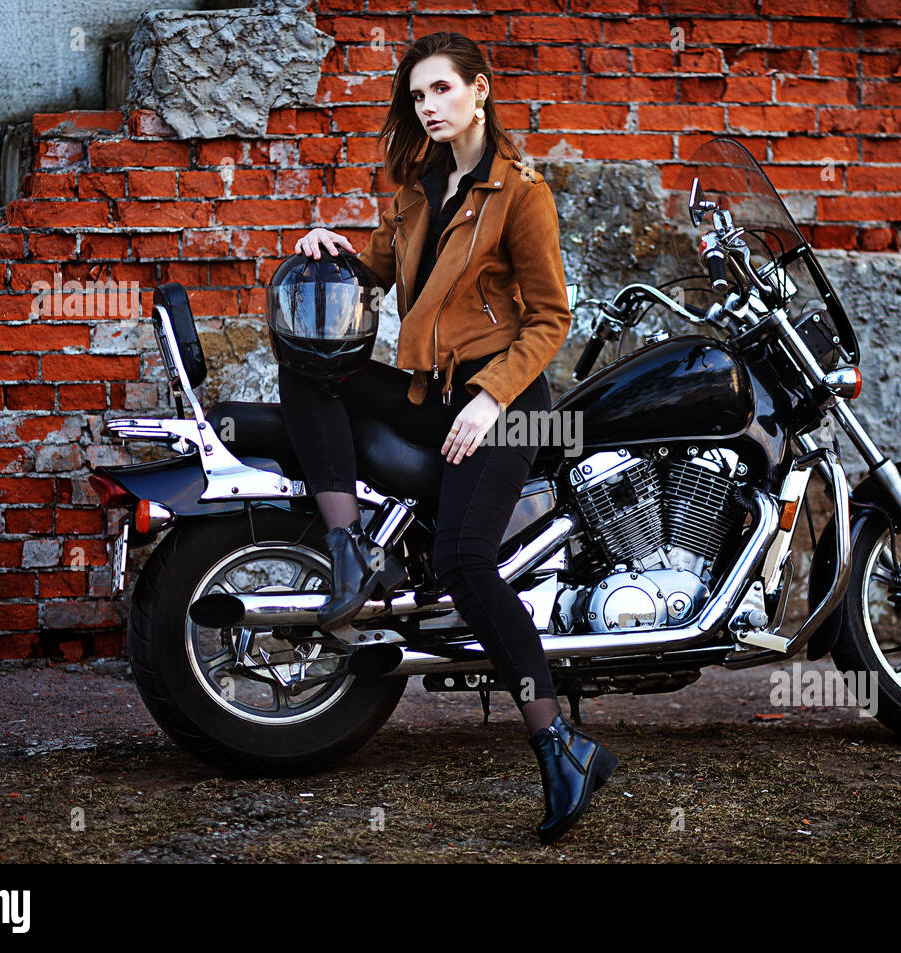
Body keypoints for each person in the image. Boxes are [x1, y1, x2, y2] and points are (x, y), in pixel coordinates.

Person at [281, 31, 616, 843]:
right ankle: (348, 548)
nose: (427, 107)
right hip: (435, 391)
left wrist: (492, 397)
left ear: (481, 89)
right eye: (417, 96)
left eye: (440, 90)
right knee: (309, 366)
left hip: (510, 399)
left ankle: (560, 742)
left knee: (468, 560)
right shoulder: (414, 183)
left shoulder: (521, 191)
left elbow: (550, 319)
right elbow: (390, 272)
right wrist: (335, 249)